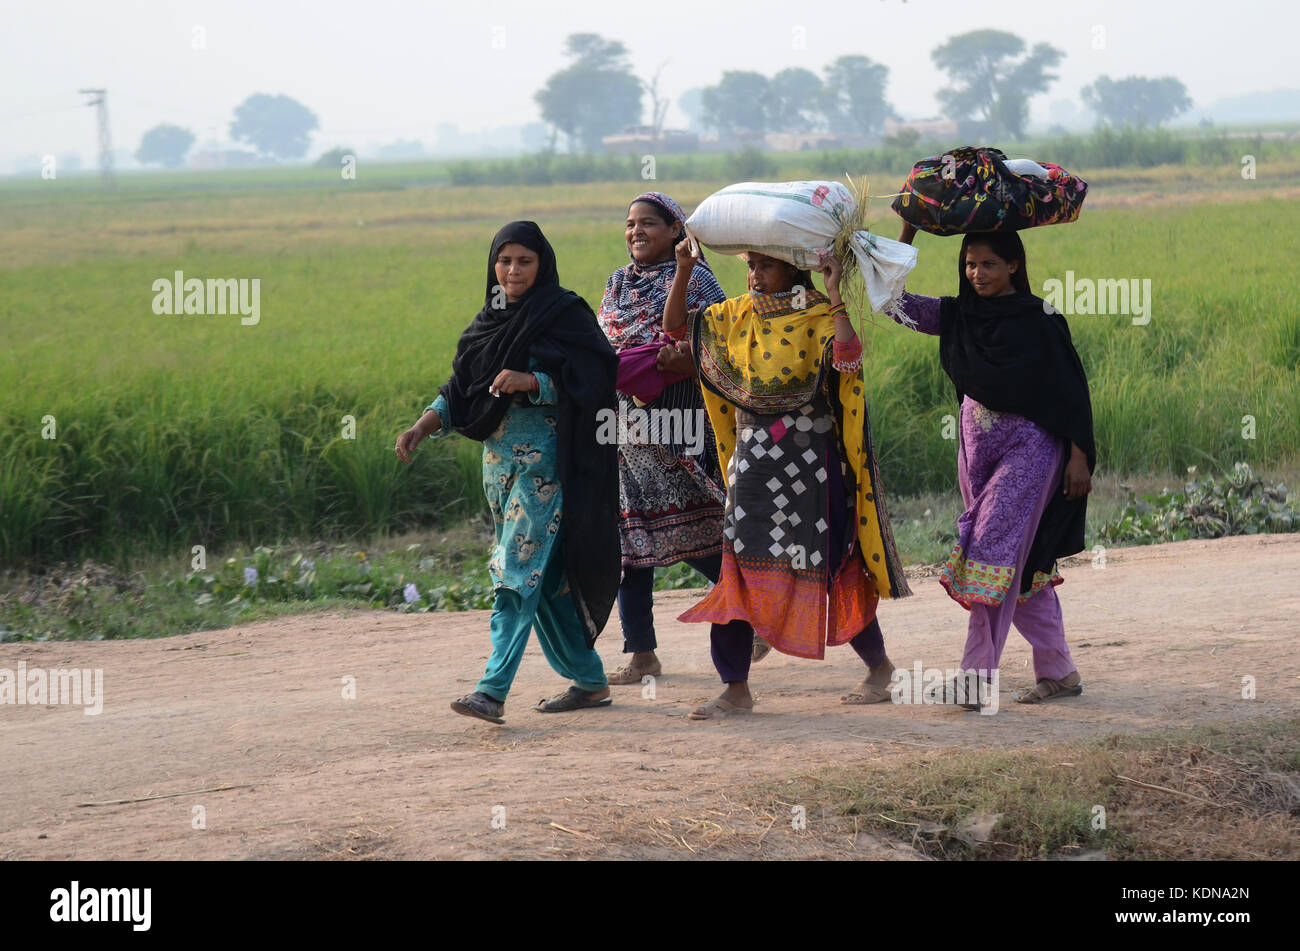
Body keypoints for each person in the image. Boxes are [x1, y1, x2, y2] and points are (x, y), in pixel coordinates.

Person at [662, 240, 912, 719]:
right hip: (752, 468)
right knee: (738, 570)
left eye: (767, 266)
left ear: (795, 270)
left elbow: (848, 359)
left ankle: (879, 669)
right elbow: (675, 328)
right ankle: (735, 687)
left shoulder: (817, 314)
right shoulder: (736, 314)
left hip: (815, 469)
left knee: (833, 567)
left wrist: (836, 295)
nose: (755, 275)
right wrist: (684, 270)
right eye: (751, 266)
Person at [395, 221, 621, 724]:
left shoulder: (565, 314)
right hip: (499, 472)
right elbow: (461, 388)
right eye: (504, 261)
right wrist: (423, 425)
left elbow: (599, 379)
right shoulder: (489, 322)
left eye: (525, 261)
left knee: (516, 573)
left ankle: (491, 690)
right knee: (549, 579)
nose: (513, 271)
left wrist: (535, 381)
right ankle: (590, 681)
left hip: (550, 471)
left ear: (543, 264)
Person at [891, 221, 1094, 709]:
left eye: (988, 264)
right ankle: (1060, 671)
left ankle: (975, 678)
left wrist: (1079, 456)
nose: (977, 273)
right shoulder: (958, 315)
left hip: (1031, 451)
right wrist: (907, 229)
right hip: (976, 456)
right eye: (969, 264)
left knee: (989, 555)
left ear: (1013, 266)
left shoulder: (1039, 319)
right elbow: (891, 302)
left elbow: (1071, 388)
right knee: (1015, 562)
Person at [596, 192, 769, 685]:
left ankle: (756, 612)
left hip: (681, 429)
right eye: (629, 224)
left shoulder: (700, 282)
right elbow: (605, 346)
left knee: (696, 533)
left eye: (648, 223)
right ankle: (642, 652)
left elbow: (722, 351)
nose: (636, 232)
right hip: (624, 433)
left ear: (676, 231)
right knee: (631, 542)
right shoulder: (617, 283)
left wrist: (667, 361)